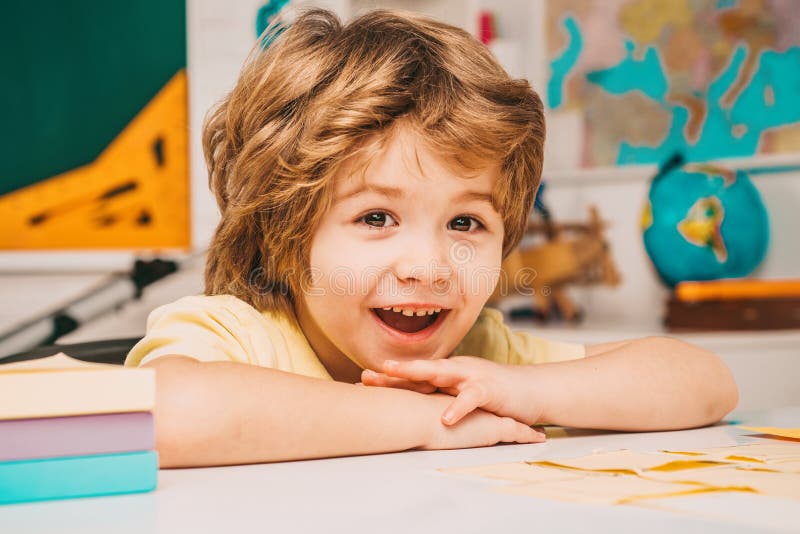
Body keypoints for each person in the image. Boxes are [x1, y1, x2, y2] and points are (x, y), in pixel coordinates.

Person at [125, 8, 738, 468]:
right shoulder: (234, 334)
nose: (430, 266)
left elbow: (707, 383)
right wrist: (421, 420)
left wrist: (526, 389)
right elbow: (159, 415)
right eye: (375, 218)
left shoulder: (479, 357)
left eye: (466, 223)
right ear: (285, 226)